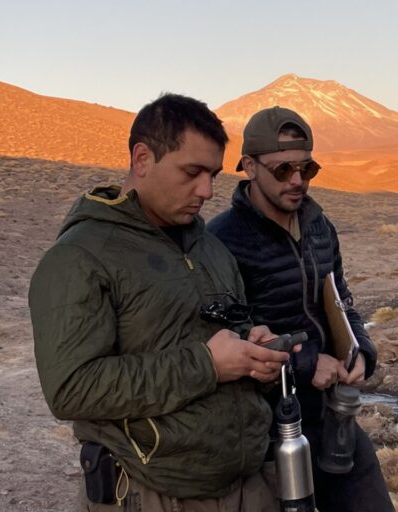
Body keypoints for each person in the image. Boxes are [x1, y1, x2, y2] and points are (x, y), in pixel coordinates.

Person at [29, 94, 295, 511]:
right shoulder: (81, 257)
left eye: (212, 174)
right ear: (142, 159)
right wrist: (206, 365)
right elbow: (71, 389)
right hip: (152, 492)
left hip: (248, 485)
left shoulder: (211, 249)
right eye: (192, 172)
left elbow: (222, 334)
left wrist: (252, 351)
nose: (207, 190)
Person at [208, 106, 393, 512]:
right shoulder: (221, 240)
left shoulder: (319, 226)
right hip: (266, 428)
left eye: (307, 169)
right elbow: (226, 334)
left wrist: (361, 349)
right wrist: (309, 363)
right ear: (249, 167)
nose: (297, 181)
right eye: (282, 170)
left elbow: (341, 300)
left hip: (331, 415)